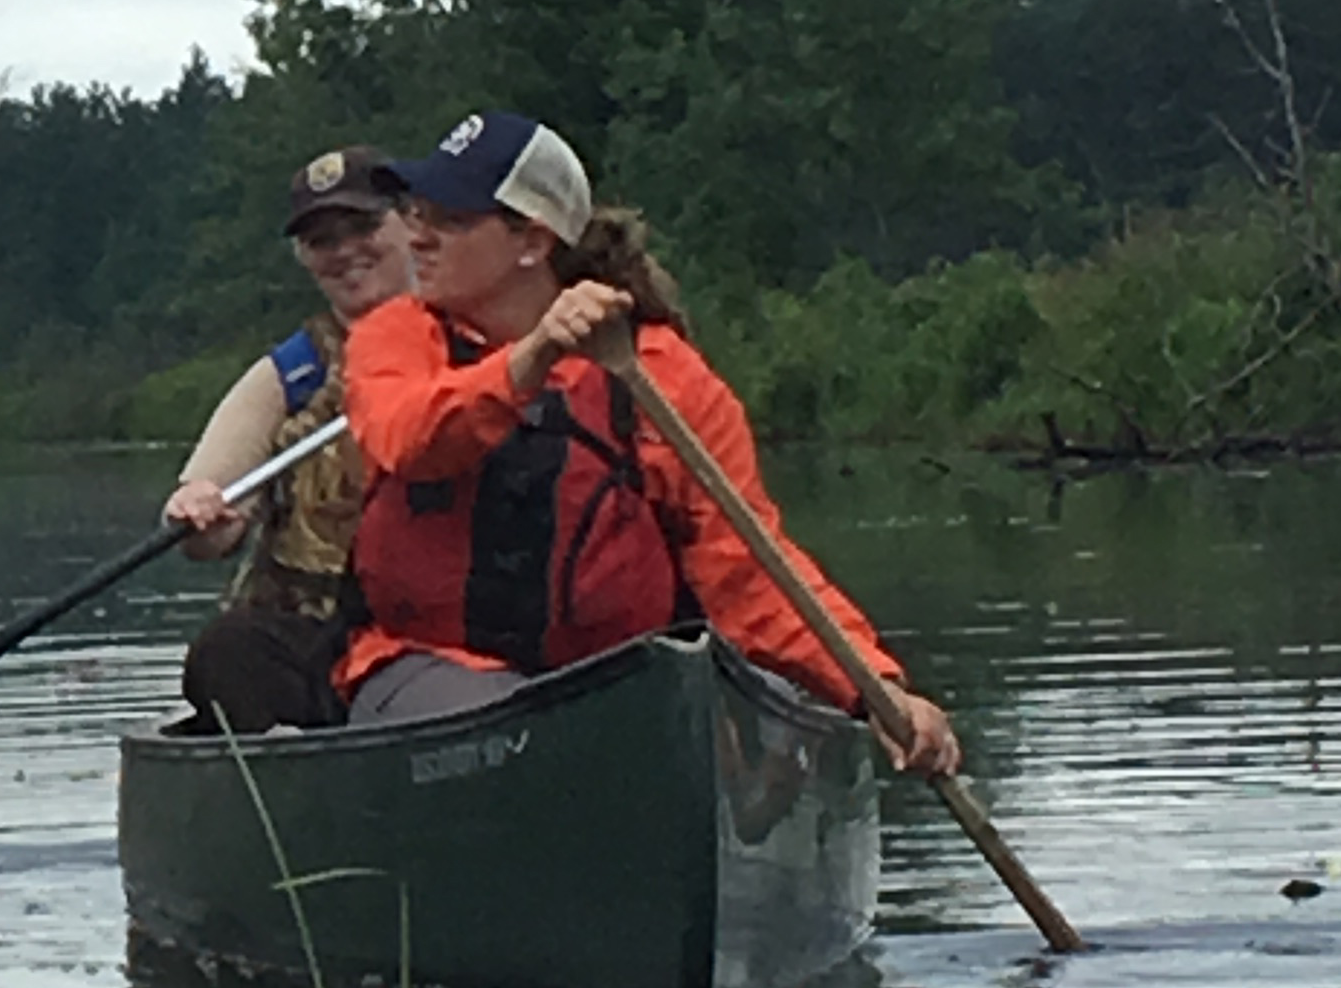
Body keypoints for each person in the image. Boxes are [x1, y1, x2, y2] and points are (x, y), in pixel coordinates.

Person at [331, 109, 960, 771]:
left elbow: (745, 567)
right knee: (519, 736)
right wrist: (532, 357)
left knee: (745, 718)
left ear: (532, 242)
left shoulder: (657, 372)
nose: (417, 237)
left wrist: (873, 686)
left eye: (449, 219)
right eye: (417, 213)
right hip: (425, 667)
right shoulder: (394, 337)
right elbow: (410, 437)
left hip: (619, 684)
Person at [157, 146, 413, 733]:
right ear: (303, 257)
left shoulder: (479, 339)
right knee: (228, 651)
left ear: (410, 222)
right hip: (314, 634)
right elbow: (208, 520)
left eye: (363, 226)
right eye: (322, 240)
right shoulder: (292, 375)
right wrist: (198, 510)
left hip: (437, 627)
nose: (345, 251)